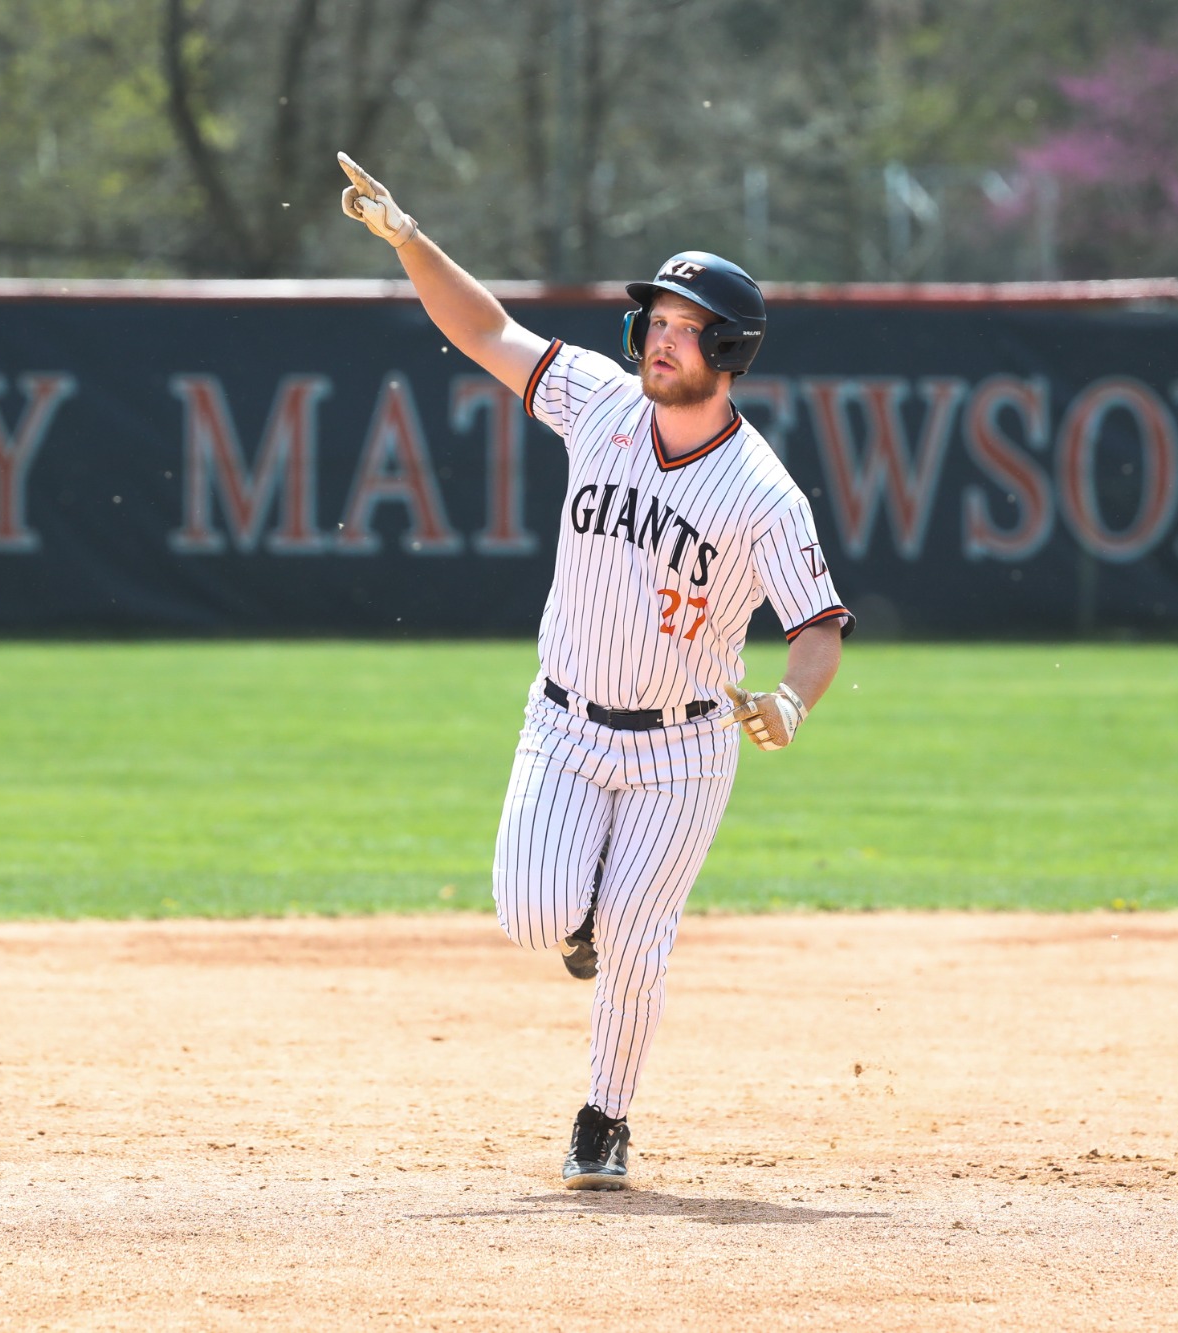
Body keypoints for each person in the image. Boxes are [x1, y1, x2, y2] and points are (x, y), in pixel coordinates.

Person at [337, 153, 851, 1189]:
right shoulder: (596, 402)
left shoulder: (763, 494)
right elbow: (485, 331)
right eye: (653, 322)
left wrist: (792, 699)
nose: (659, 338)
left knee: (635, 932)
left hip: (684, 746)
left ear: (730, 348)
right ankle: (574, 920)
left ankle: (602, 1117)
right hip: (564, 723)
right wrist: (407, 238)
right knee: (530, 912)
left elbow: (818, 624)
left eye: (682, 326)